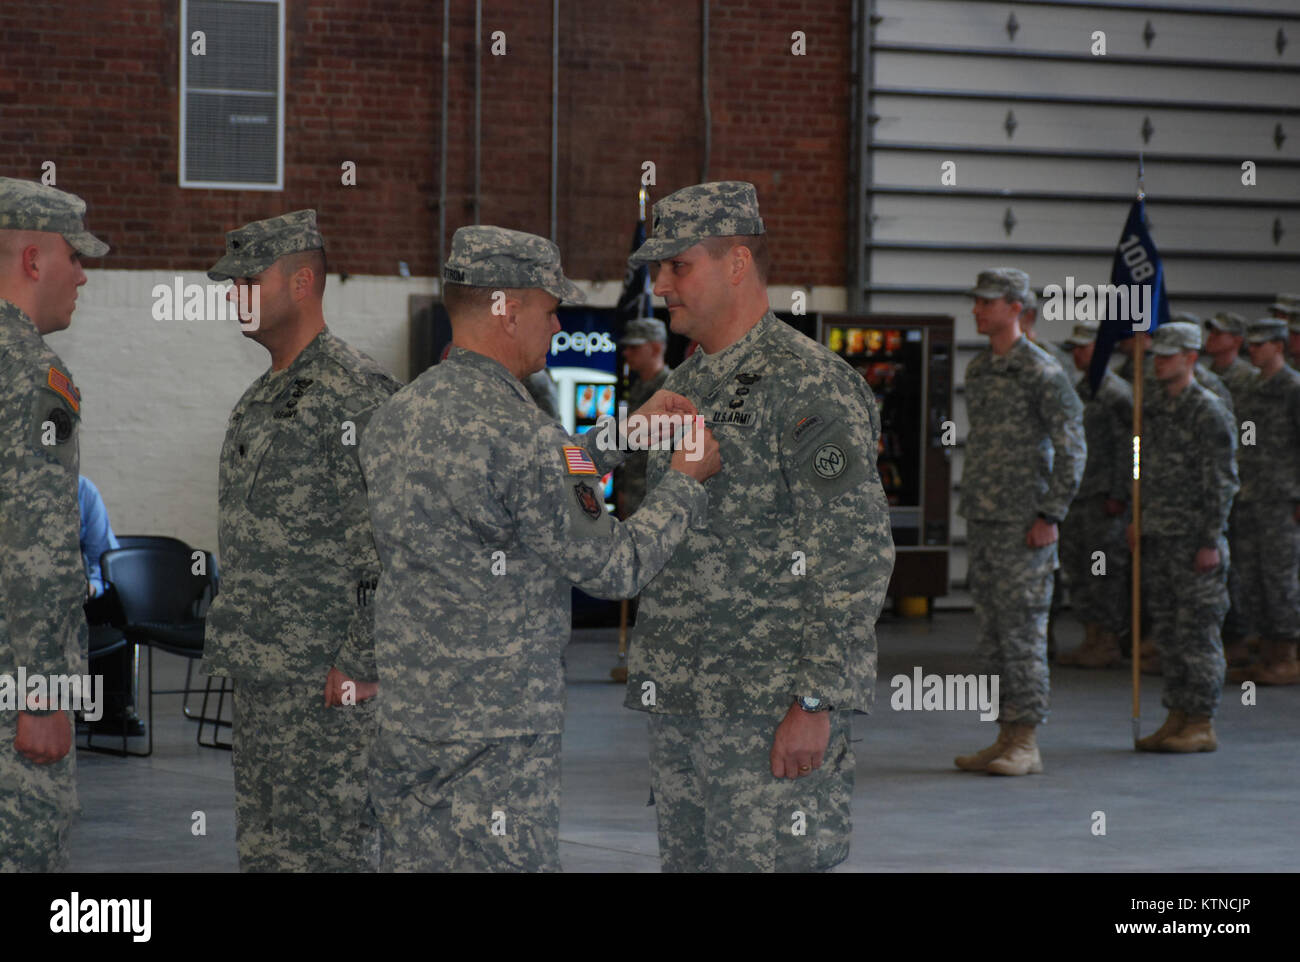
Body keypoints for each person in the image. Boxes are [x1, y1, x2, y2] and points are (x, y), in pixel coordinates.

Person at [361, 225, 718, 872]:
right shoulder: (523, 435)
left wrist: (626, 433)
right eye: (551, 309)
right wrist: (686, 484)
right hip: (497, 739)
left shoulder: (397, 416)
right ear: (509, 308)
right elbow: (616, 567)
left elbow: (529, 483)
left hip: (408, 720)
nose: (557, 327)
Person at [623, 181, 895, 871]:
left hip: (766, 710)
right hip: (685, 702)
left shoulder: (808, 384)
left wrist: (816, 699)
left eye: (677, 265)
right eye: (658, 269)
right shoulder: (688, 385)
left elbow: (854, 554)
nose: (660, 286)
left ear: (736, 263)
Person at [200, 210, 401, 872]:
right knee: (267, 854)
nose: (236, 296)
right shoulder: (260, 398)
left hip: (327, 686)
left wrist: (362, 663)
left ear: (302, 281)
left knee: (329, 854)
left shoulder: (354, 391)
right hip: (265, 681)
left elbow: (390, 540)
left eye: (249, 281)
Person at [0, 177, 108, 870]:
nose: (84, 276)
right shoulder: (31, 376)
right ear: (33, 261)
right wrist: (43, 691)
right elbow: (39, 545)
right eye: (75, 256)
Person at [954, 267, 1085, 776]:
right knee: (991, 632)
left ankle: (1027, 740)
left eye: (987, 301)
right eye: (976, 300)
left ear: (1015, 307)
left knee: (1024, 631)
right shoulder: (981, 370)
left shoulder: (1043, 371)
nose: (977, 309)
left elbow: (1073, 446)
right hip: (986, 517)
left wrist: (1052, 513)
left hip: (1026, 522)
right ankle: (1004, 734)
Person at [1131, 322, 1238, 752]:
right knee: (1170, 633)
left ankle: (1201, 721)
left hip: (1195, 542)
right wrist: (1137, 516)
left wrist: (1210, 539)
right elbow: (1139, 466)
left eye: (1168, 356)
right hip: (1159, 535)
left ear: (1191, 358)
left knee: (1198, 633)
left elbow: (1223, 481)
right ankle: (1176, 714)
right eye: (1157, 356)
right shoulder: (1154, 407)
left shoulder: (1208, 409)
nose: (1159, 362)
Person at [1226, 318, 1300, 686]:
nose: (1252, 350)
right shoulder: (1249, 387)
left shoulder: (1292, 388)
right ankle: (1267, 651)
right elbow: (1245, 439)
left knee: (1280, 578)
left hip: (1281, 497)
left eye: (1259, 344)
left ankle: (1286, 654)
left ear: (1278, 346)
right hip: (1251, 494)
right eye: (1250, 345)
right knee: (1252, 576)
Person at [1055, 322, 1133, 668]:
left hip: (1105, 499)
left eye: (1083, 347)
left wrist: (1122, 491)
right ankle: (1091, 637)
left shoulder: (1117, 393)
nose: (1076, 354)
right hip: (1079, 495)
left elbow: (1134, 448)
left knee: (1104, 572)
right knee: (1080, 570)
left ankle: (1108, 640)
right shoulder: (1080, 389)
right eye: (1073, 348)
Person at [1199, 313, 1257, 667]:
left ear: (1236, 339)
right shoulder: (1207, 378)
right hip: (1215, 486)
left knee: (1239, 568)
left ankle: (1242, 639)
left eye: (1219, 333)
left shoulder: (1246, 381)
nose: (1212, 338)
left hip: (1247, 486)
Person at [77, 475, 141, 735]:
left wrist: (92, 584)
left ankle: (109, 710)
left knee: (116, 598)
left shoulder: (81, 490)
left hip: (69, 593)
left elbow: (103, 556)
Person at [615, 317, 671, 519]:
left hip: (658, 499)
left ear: (656, 349)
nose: (626, 353)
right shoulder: (637, 388)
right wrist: (623, 489)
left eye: (634, 347)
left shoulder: (674, 389)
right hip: (633, 492)